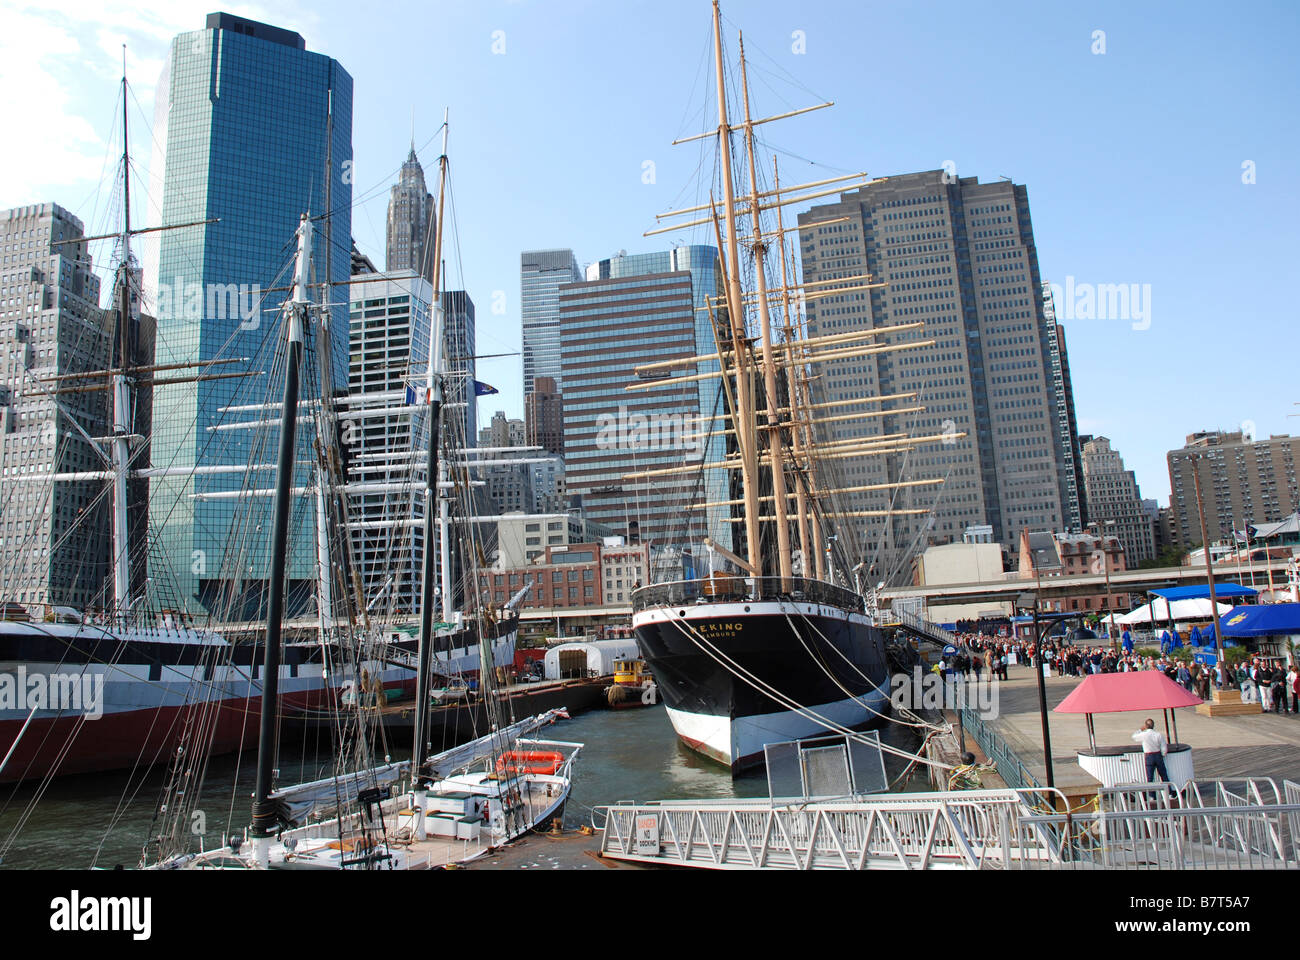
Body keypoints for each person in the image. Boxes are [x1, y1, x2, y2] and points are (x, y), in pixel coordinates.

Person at [1132, 718, 1173, 792]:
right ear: (1153, 726)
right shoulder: (1158, 734)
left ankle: (1152, 796)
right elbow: (1164, 747)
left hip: (1149, 756)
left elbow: (1134, 736)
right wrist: (1163, 754)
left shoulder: (1143, 735)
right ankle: (1169, 793)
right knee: (1164, 775)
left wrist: (1141, 729)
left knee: (1150, 777)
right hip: (1157, 755)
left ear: (1146, 726)